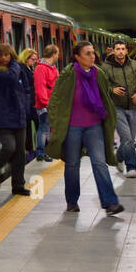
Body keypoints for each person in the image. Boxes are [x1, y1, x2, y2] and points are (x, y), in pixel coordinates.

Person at [46, 41, 123, 215]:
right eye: (87, 53)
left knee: (99, 163)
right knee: (72, 165)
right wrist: (56, 123)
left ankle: (110, 203)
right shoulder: (67, 75)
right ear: (78, 57)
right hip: (72, 127)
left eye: (92, 53)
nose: (92, 56)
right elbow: (55, 100)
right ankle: (72, 201)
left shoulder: (99, 74)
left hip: (94, 126)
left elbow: (105, 96)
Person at [0, 44, 29, 196]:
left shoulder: (18, 70)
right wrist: (16, 63)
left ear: (11, 55)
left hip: (19, 116)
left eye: (6, 55)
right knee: (9, 147)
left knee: (20, 154)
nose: (3, 58)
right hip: (2, 116)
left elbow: (26, 89)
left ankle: (18, 185)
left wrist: (26, 106)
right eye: (0, 55)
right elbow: (11, 78)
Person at [100, 39, 136, 179]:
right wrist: (112, 90)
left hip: (132, 107)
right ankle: (131, 167)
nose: (120, 51)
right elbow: (101, 86)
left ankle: (119, 157)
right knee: (126, 138)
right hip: (116, 108)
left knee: (129, 140)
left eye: (123, 49)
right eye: (117, 49)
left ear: (126, 51)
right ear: (113, 50)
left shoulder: (135, 65)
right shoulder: (106, 67)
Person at [33, 44, 60, 162]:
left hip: (51, 103)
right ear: (53, 54)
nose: (58, 56)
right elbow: (40, 88)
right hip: (45, 104)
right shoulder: (41, 68)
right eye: (57, 54)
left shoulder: (52, 68)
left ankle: (44, 151)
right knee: (44, 128)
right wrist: (46, 103)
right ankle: (41, 152)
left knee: (46, 128)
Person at [17, 48, 38, 160]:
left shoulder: (29, 68)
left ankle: (34, 149)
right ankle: (30, 150)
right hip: (27, 102)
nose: (34, 61)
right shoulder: (22, 69)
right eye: (33, 59)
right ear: (26, 58)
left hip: (32, 102)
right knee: (28, 128)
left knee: (35, 125)